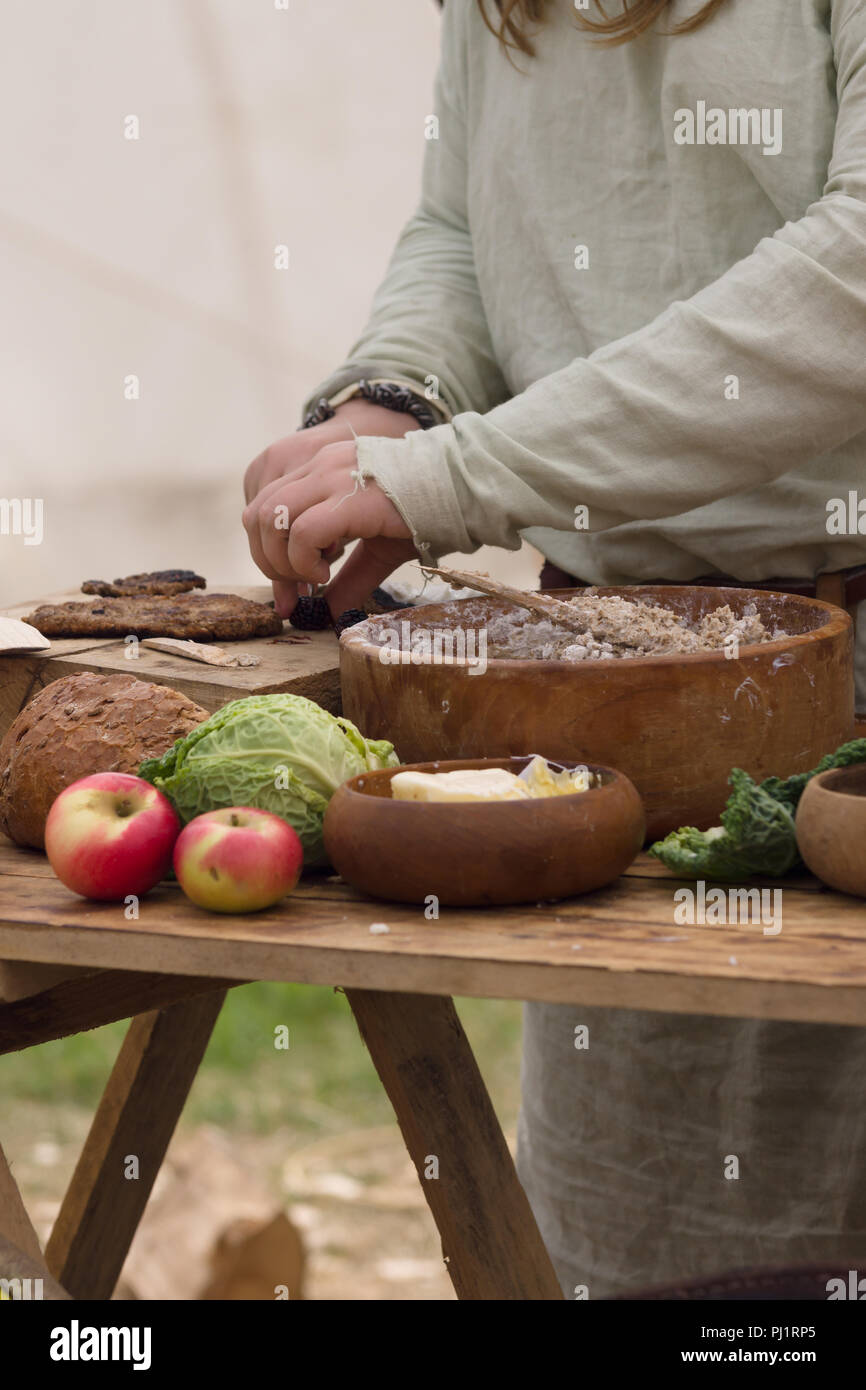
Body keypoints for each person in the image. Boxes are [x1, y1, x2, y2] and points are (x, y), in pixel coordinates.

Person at [243, 0, 866, 1297]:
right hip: (608, 676)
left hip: (845, 676)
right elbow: (466, 225)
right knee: (625, 1249)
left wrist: (459, 472)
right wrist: (395, 395)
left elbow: (853, 272)